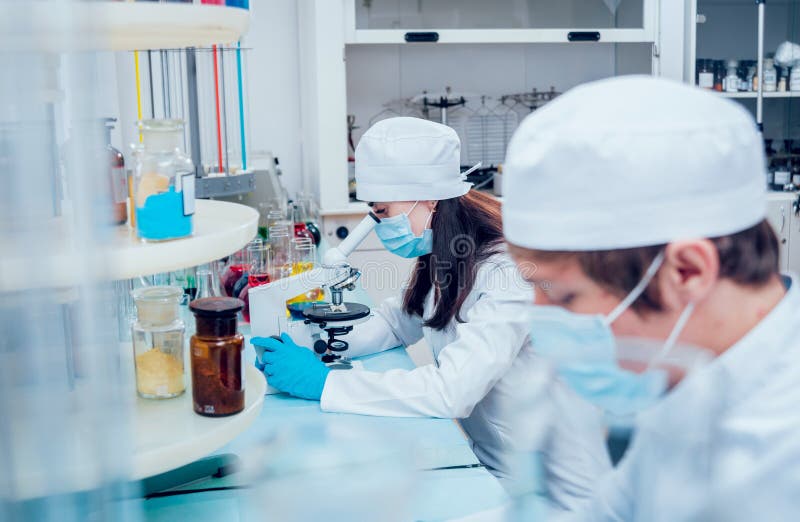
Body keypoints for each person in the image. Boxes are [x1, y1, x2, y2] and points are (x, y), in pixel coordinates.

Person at [252, 117, 611, 511]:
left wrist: (325, 384)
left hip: (553, 490)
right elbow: (398, 321)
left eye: (383, 211)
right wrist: (311, 344)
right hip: (495, 463)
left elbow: (451, 391)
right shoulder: (446, 251)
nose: (380, 224)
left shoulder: (506, 274)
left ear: (430, 199)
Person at [502, 75, 800, 520]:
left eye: (564, 296)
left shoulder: (782, 448)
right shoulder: (688, 374)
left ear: (687, 271)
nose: (540, 320)